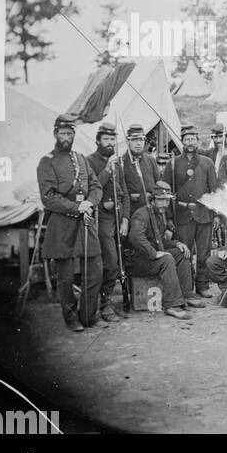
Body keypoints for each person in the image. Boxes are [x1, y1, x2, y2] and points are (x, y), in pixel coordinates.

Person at [37, 115, 104, 331]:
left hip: (85, 222)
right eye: (62, 133)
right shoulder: (47, 162)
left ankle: (88, 315)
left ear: (74, 135)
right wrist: (77, 207)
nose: (66, 137)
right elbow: (48, 197)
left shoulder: (82, 159)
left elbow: (96, 187)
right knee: (65, 276)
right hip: (62, 224)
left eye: (69, 133)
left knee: (94, 269)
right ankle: (71, 317)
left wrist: (89, 203)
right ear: (55, 134)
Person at [126, 181, 205, 319]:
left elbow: (159, 241)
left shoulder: (158, 215)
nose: (165, 204)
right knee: (167, 259)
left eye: (166, 201)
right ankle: (172, 305)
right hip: (139, 260)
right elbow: (135, 236)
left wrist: (176, 243)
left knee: (182, 253)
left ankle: (186, 294)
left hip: (150, 258)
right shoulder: (142, 214)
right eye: (161, 200)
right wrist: (154, 253)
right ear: (153, 200)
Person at [83, 122, 127, 322]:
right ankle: (103, 304)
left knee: (117, 261)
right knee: (109, 262)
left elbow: (124, 192)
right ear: (98, 141)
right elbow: (90, 190)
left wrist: (125, 218)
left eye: (112, 139)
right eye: (106, 139)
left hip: (116, 219)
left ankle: (108, 300)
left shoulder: (118, 162)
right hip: (98, 219)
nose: (110, 143)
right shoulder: (89, 161)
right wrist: (108, 170)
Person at [170, 125, 218, 298]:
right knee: (185, 253)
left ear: (197, 141)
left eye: (193, 139)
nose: (190, 142)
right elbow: (168, 192)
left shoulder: (207, 163)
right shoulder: (173, 163)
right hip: (183, 215)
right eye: (186, 139)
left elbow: (215, 191)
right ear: (182, 141)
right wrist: (170, 217)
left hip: (204, 214)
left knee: (204, 253)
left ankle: (202, 285)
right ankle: (186, 286)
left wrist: (217, 215)